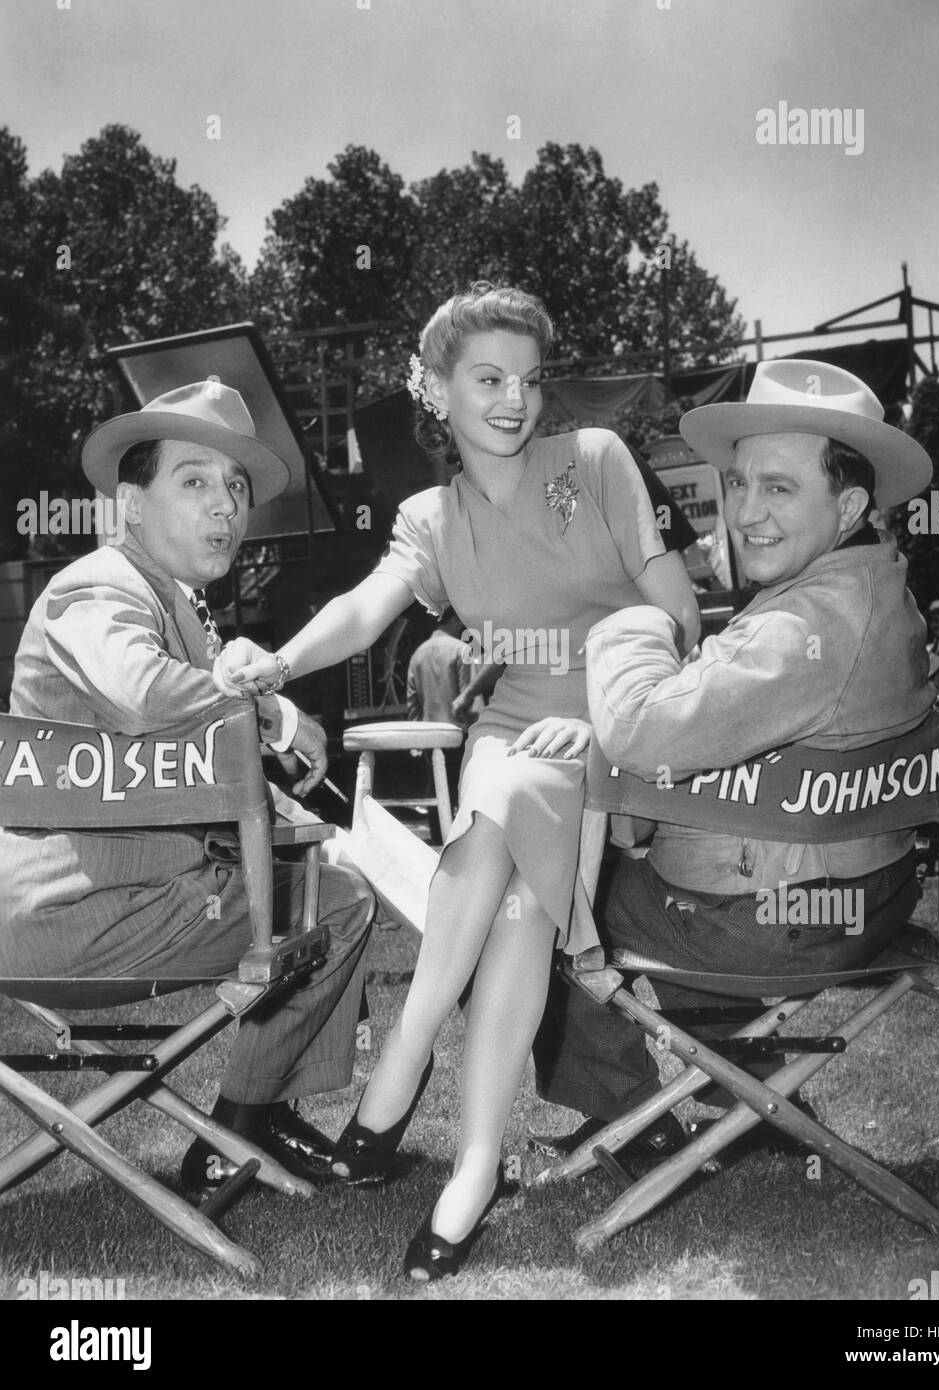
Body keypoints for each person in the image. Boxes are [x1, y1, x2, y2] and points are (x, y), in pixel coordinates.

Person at [216, 282, 699, 1278]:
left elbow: (678, 616)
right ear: (434, 391)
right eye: (487, 380)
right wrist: (280, 661)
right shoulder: (428, 517)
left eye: (527, 380)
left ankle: (404, 1057)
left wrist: (610, 706)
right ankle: (474, 1162)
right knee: (514, 886)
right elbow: (363, 608)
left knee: (506, 811)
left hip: (605, 729)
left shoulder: (598, 461)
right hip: (509, 739)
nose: (515, 401)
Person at [531, 359, 937, 1150]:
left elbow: (645, 731)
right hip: (863, 892)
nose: (746, 512)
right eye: (740, 484)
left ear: (849, 505)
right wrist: (619, 736)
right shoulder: (876, 590)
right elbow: (719, 721)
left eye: (779, 489)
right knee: (632, 871)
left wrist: (629, 628)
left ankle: (627, 1124)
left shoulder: (809, 627)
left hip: (773, 922)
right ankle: (751, 1106)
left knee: (538, 899)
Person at [0, 382, 377, 1188]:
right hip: (72, 914)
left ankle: (243, 1130)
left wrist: (304, 821)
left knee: (326, 883)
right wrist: (274, 712)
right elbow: (143, 697)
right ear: (131, 504)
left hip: (121, 900)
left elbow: (189, 769)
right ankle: (246, 1126)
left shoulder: (174, 601)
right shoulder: (96, 586)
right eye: (196, 480)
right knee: (335, 906)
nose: (226, 506)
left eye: (236, 487)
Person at [406, 607, 474, 814]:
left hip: (428, 737)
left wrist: (415, 738)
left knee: (436, 791)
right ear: (454, 621)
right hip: (457, 734)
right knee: (462, 793)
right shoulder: (462, 650)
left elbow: (412, 702)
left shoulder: (417, 654)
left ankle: (436, 838)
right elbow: (468, 696)